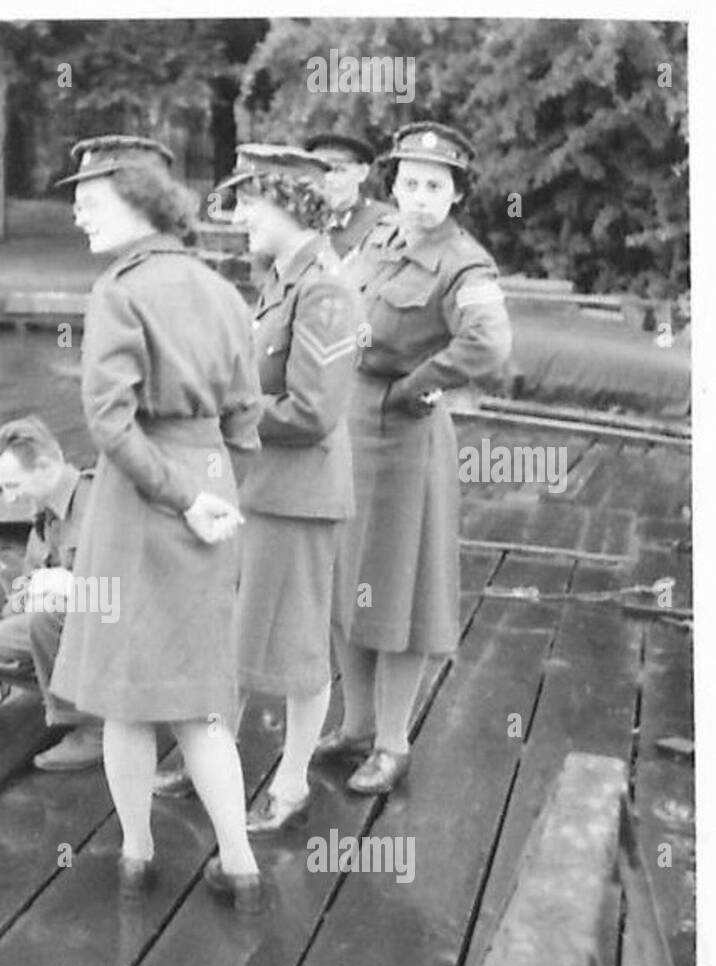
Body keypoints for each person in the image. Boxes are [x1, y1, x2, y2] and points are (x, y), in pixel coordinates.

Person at [49, 134, 268, 912]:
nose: (80, 217)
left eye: (93, 203)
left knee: (124, 691)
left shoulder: (119, 292)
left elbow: (110, 425)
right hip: (209, 482)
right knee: (198, 694)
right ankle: (239, 861)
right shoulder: (223, 290)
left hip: (140, 499)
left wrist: (177, 494)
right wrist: (212, 486)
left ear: (142, 202)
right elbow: (247, 415)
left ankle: (137, 854)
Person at [327, 121, 512, 794]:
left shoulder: (466, 262)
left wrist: (419, 383)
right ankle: (353, 726)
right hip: (351, 425)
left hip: (406, 434)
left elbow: (488, 344)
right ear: (394, 187)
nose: (421, 197)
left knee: (398, 593)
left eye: (436, 186)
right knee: (345, 580)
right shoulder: (378, 239)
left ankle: (392, 742)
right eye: (410, 183)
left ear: (457, 194)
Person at [209, 144, 360, 831]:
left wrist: (227, 411)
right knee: (234, 634)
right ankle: (210, 757)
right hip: (263, 491)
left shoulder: (323, 287)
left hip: (299, 497)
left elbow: (312, 411)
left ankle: (292, 782)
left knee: (298, 648)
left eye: (251, 203)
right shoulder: (282, 278)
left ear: (290, 206)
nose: (241, 216)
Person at [0, 416, 104, 771]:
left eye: (14, 485)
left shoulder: (102, 504)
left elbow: (137, 594)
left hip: (132, 639)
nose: (10, 498)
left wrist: (74, 589)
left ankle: (98, 727)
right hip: (87, 638)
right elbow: (19, 606)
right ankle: (67, 702)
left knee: (49, 613)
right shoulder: (45, 522)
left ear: (45, 466)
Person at [304, 131, 394, 261]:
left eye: (339, 170)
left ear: (362, 172)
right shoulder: (299, 219)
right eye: (319, 170)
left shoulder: (384, 221)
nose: (328, 179)